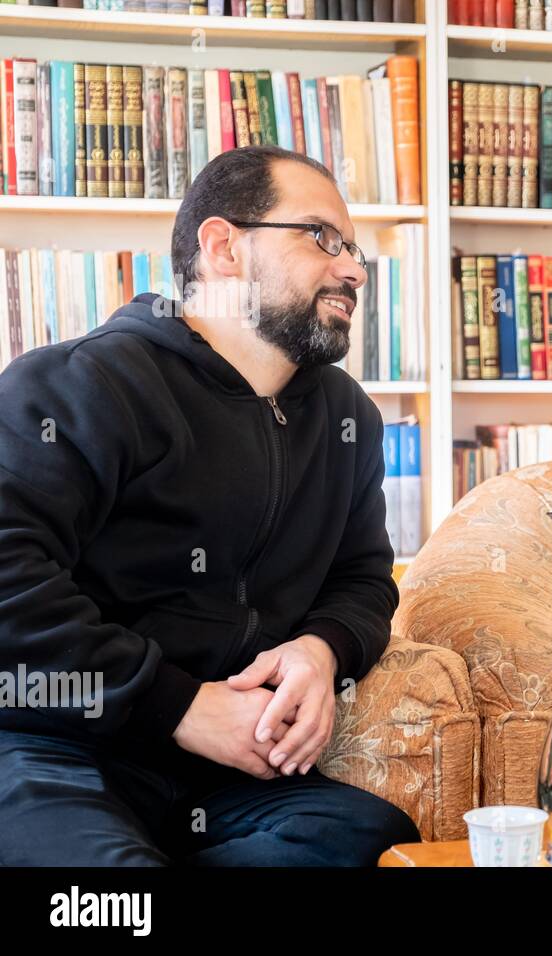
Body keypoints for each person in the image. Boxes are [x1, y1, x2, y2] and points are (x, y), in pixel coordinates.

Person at [0, 145, 420, 865]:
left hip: (227, 775)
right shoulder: (76, 385)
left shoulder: (349, 416)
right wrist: (178, 707)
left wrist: (323, 652)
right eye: (322, 237)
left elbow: (362, 581)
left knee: (371, 841)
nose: (353, 268)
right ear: (223, 247)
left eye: (353, 248)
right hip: (57, 744)